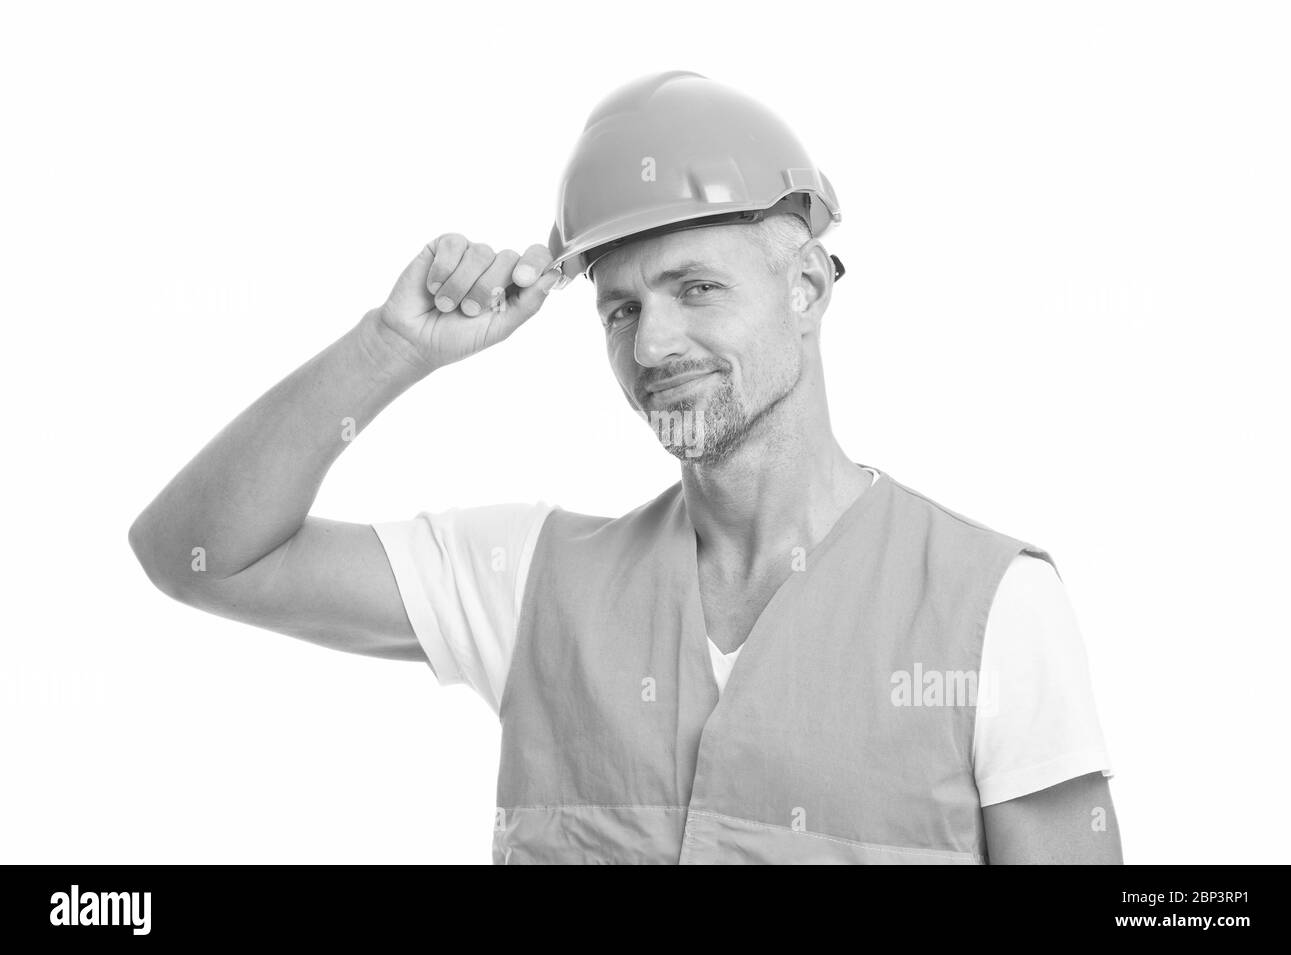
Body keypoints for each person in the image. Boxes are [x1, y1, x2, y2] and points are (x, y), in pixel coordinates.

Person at [129, 71, 1119, 864]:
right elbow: (201, 554)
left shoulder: (994, 608)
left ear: (808, 286)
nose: (651, 348)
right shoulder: (526, 582)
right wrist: (392, 346)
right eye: (621, 308)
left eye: (696, 288)